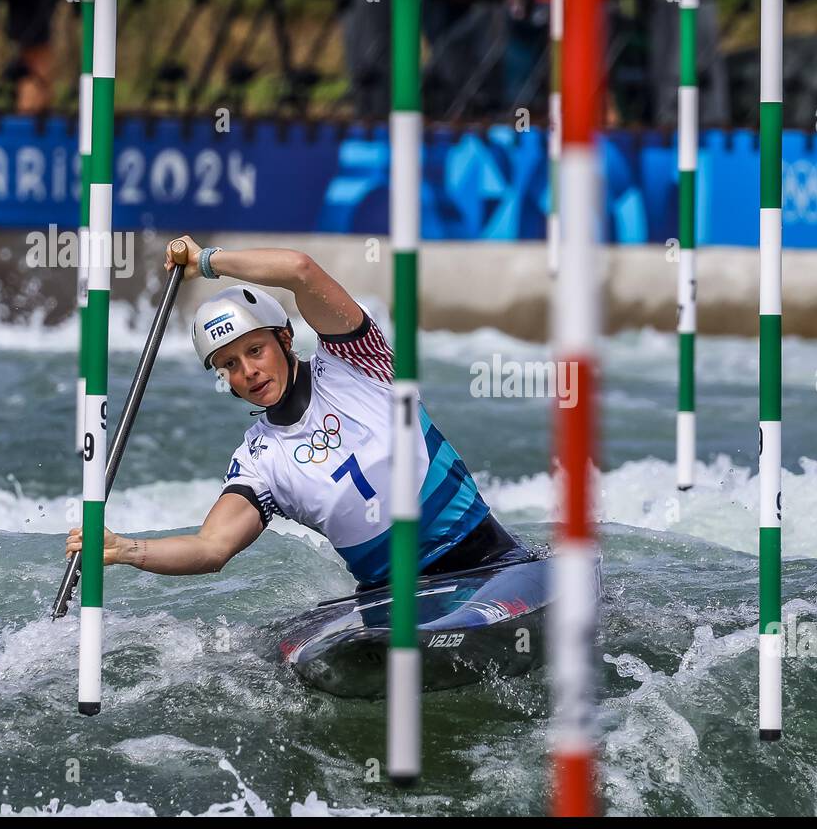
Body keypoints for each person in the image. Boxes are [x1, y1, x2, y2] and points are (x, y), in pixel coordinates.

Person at [66, 237, 527, 591]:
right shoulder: (259, 461)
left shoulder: (356, 361)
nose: (247, 371)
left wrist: (206, 261)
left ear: (285, 339)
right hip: (390, 596)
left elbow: (301, 270)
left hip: (487, 561)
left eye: (255, 350)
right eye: (229, 364)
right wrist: (125, 549)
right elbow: (212, 548)